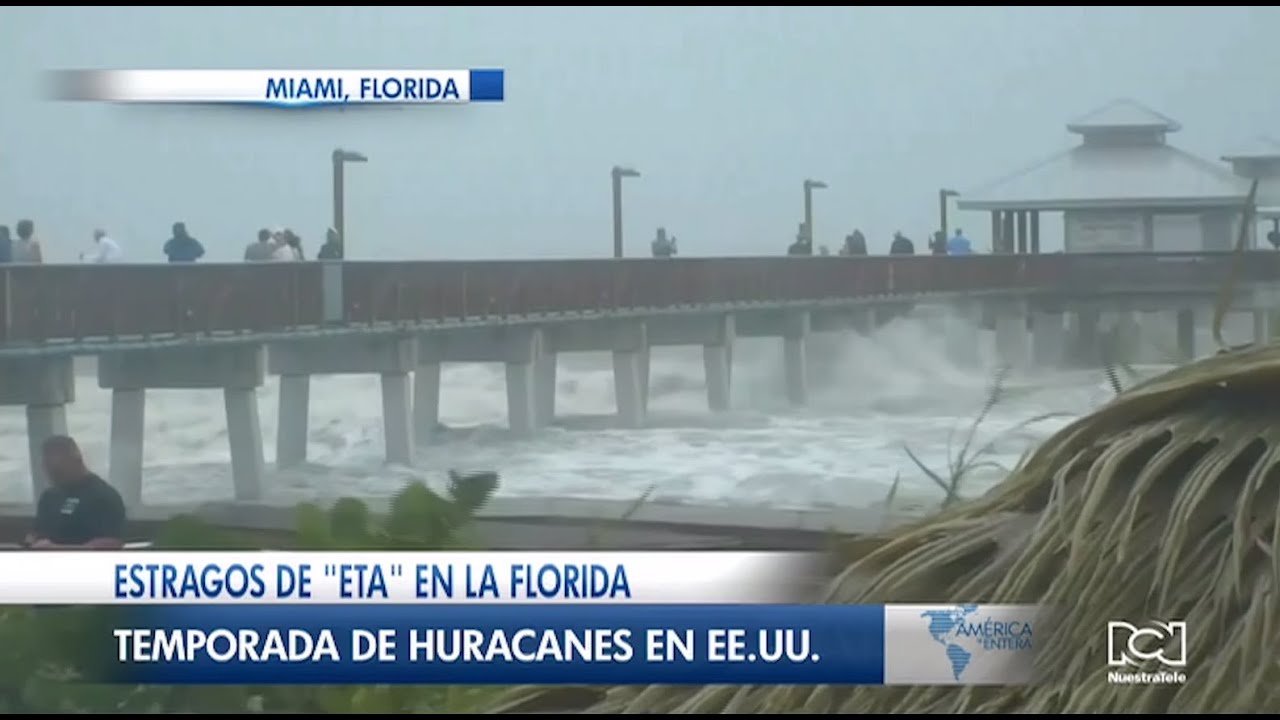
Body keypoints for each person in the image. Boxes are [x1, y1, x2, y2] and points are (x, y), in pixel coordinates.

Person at [24, 436, 125, 550]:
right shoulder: (49, 496)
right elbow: (37, 531)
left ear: (77, 461)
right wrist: (30, 542)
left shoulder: (104, 496)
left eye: (57, 470)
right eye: (48, 469)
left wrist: (56, 549)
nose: (52, 476)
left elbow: (111, 544)